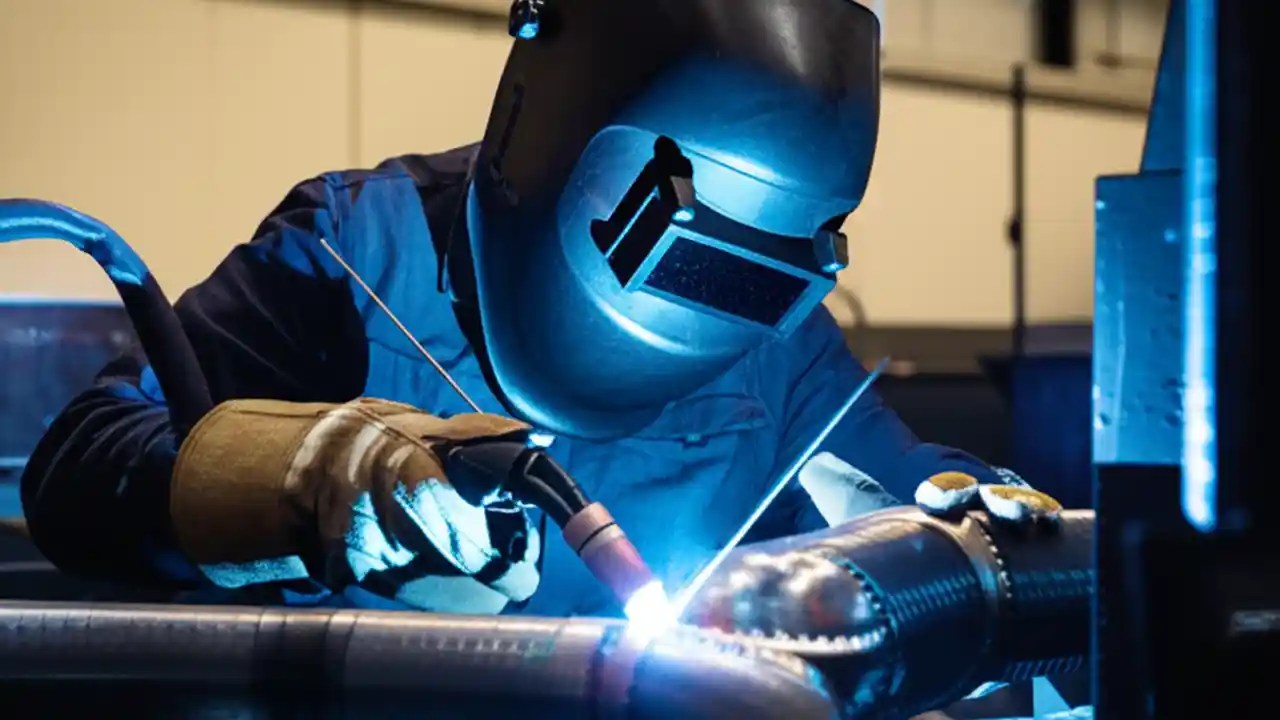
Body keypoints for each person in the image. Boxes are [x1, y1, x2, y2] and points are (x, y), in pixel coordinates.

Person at [19, 0, 1054, 618]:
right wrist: (312, 475)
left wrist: (981, 536)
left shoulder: (778, 337)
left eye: (754, 271)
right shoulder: (359, 247)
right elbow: (81, 472)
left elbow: (904, 486)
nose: (713, 297)